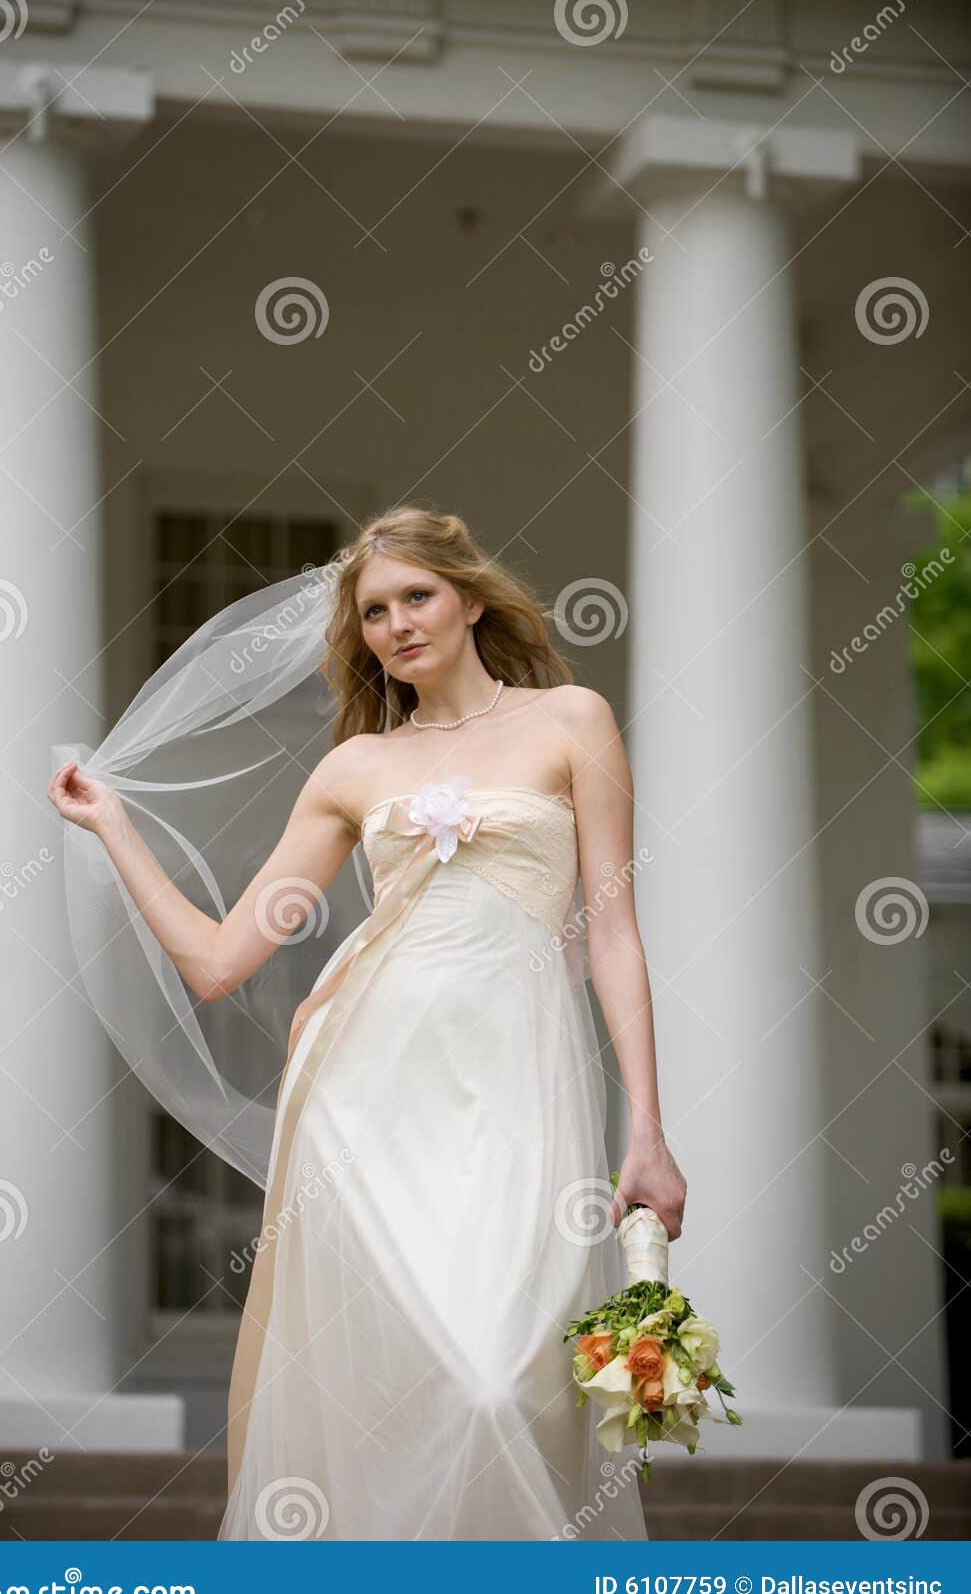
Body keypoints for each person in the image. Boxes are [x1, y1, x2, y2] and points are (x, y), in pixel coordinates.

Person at [47, 503, 686, 1541]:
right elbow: (218, 962)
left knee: (502, 1383)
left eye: (416, 597)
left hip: (521, 1085)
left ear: (470, 600)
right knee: (395, 1386)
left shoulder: (573, 720)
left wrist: (647, 1131)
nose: (396, 625)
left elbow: (614, 933)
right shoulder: (353, 768)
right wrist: (112, 828)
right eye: (374, 612)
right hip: (364, 1091)